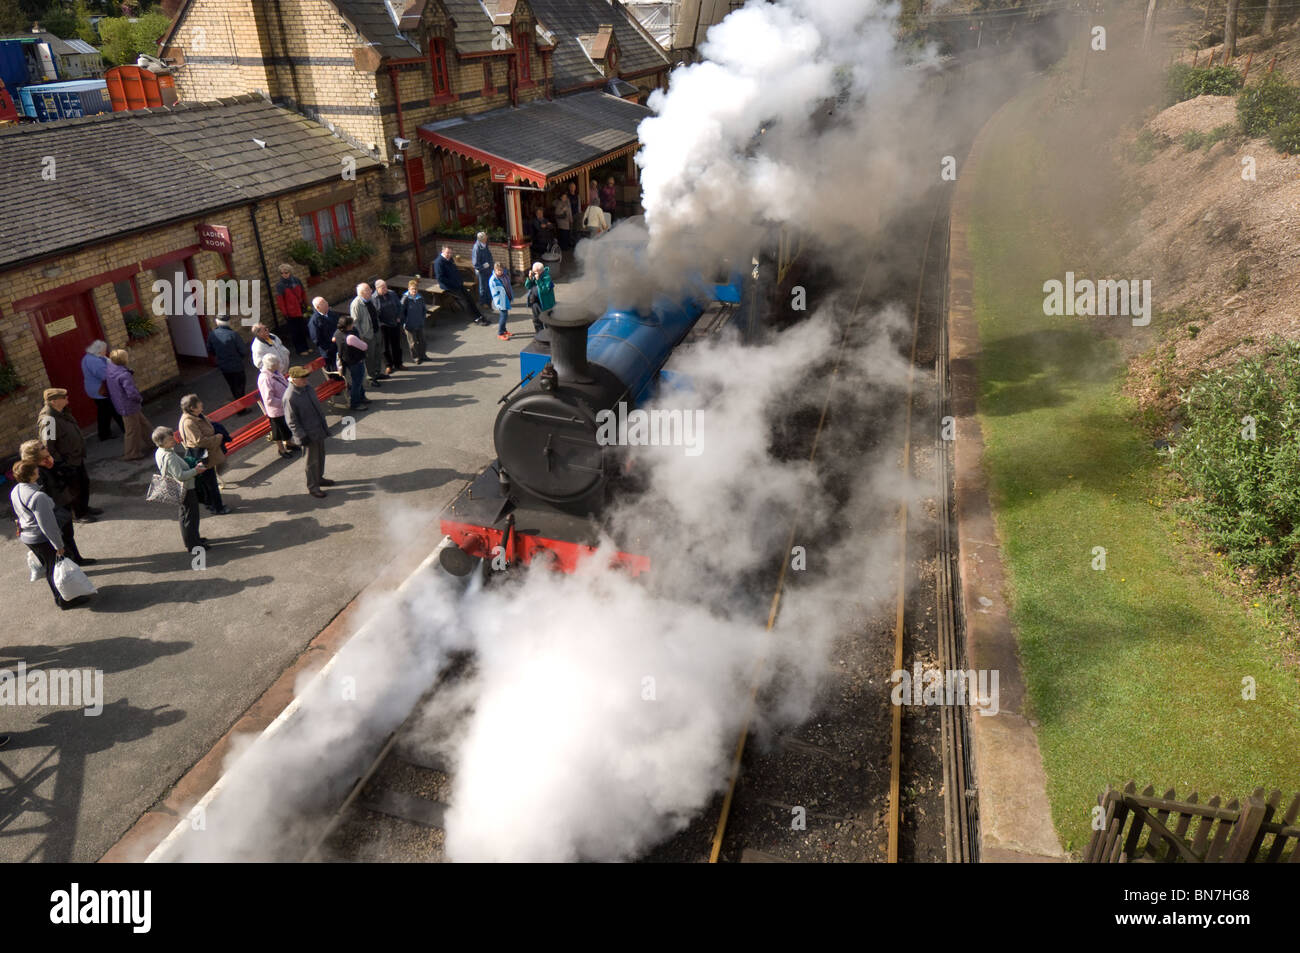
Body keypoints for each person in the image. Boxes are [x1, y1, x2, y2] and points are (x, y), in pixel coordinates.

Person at [10, 459, 76, 609]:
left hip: (28, 536)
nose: (38, 470)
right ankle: (63, 600)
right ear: (32, 474)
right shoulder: (38, 497)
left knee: (49, 566)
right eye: (36, 469)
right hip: (40, 538)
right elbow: (48, 525)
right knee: (53, 569)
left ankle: (63, 597)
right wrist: (58, 545)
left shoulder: (16, 490)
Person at [18, 439, 89, 568]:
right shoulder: (35, 472)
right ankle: (70, 568)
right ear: (34, 455)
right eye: (42, 447)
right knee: (61, 539)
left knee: (68, 535)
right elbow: (44, 492)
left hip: (62, 502)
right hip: (54, 508)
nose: (46, 448)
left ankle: (77, 559)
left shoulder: (48, 461)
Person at [37, 388, 101, 522]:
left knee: (83, 483)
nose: (67, 399)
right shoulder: (49, 420)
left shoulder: (62, 413)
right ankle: (77, 515)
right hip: (67, 461)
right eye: (64, 397)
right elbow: (48, 446)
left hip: (76, 457)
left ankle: (84, 508)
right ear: (54, 401)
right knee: (73, 489)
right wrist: (61, 464)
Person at [152, 426, 209, 554]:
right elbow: (180, 476)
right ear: (161, 442)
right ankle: (194, 545)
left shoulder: (160, 452)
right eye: (169, 439)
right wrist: (196, 470)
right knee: (191, 517)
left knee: (184, 516)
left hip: (178, 489)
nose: (173, 440)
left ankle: (191, 540)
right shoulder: (169, 456)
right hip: (186, 489)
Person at [283, 365, 336, 499]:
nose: (306, 380)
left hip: (318, 428)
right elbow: (291, 421)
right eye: (302, 378)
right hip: (308, 434)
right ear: (293, 379)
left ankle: (319, 478)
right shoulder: (289, 397)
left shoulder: (306, 387)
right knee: (311, 461)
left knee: (320, 455)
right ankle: (313, 487)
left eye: (306, 377)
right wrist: (301, 436)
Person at [177, 394, 230, 516]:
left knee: (208, 482)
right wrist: (218, 437)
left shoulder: (196, 416)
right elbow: (199, 441)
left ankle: (212, 504)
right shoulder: (189, 422)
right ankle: (218, 507)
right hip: (202, 456)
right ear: (192, 408)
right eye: (199, 404)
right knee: (210, 483)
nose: (202, 405)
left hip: (207, 453)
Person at [105, 349, 152, 461]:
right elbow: (131, 393)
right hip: (129, 406)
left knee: (143, 424)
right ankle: (131, 453)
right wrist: (139, 399)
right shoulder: (124, 375)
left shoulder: (110, 369)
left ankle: (154, 441)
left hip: (120, 404)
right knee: (132, 430)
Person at [206, 316, 252, 413]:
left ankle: (239, 405)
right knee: (240, 386)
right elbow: (243, 351)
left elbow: (210, 350)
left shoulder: (212, 335)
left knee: (233, 386)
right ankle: (241, 409)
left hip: (224, 366)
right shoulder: (233, 334)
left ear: (217, 322)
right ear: (228, 322)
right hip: (236, 365)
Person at [434, 246, 489, 326]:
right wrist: (453, 283)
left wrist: (459, 280)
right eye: (447, 253)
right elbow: (440, 278)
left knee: (470, 298)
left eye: (450, 253)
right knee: (465, 301)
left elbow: (455, 270)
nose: (449, 254)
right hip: (449, 286)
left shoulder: (450, 259)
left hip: (458, 283)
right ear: (442, 251)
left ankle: (480, 316)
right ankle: (476, 319)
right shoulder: (438, 262)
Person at [257, 354, 298, 458]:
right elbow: (269, 399)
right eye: (277, 363)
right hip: (276, 411)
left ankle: (289, 443)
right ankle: (281, 450)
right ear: (272, 365)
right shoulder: (265, 378)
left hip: (284, 407)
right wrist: (284, 401)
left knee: (286, 427)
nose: (280, 365)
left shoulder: (275, 372)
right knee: (279, 431)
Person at [81, 340, 123, 441]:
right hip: (100, 390)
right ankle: (126, 429)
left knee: (104, 412)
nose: (106, 351)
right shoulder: (94, 361)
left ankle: (104, 434)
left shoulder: (89, 357)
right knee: (113, 409)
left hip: (94, 389)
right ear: (98, 350)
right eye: (104, 350)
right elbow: (104, 375)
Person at [350, 283, 386, 387]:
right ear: (362, 293)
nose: (371, 290)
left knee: (378, 353)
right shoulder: (356, 304)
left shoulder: (369, 300)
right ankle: (371, 377)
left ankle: (377, 373)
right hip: (367, 336)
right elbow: (355, 323)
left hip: (376, 331)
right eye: (368, 290)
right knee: (370, 357)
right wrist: (361, 337)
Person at [333, 315, 370, 411]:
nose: (353, 325)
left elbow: (333, 340)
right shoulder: (350, 337)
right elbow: (365, 346)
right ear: (348, 326)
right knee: (357, 382)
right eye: (352, 323)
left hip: (346, 360)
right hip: (356, 361)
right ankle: (355, 403)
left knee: (357, 380)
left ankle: (361, 397)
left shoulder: (337, 332)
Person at [274, 263, 312, 355]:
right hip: (290, 312)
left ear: (290, 272)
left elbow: (303, 293)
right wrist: (285, 313)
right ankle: (300, 349)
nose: (284, 275)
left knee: (303, 329)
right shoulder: (280, 285)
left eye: (286, 272)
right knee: (295, 332)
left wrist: (307, 305)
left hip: (300, 308)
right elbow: (280, 301)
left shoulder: (297, 281)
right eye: (282, 273)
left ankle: (306, 347)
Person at [373, 279, 404, 374]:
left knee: (396, 344)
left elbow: (399, 306)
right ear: (377, 288)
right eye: (383, 288)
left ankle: (398, 363)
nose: (386, 289)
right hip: (383, 326)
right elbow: (374, 315)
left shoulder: (392, 293)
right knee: (385, 347)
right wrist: (381, 324)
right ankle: (388, 365)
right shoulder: (374, 299)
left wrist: (398, 317)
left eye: (386, 286)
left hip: (395, 323)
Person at [308, 296, 343, 378]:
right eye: (323, 303)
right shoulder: (314, 321)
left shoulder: (331, 314)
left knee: (341, 368)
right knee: (333, 371)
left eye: (325, 302)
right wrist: (329, 348)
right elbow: (316, 339)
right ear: (317, 307)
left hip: (338, 346)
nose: (326, 304)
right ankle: (337, 387)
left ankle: (344, 383)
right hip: (328, 351)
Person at [400, 279, 429, 364]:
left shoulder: (420, 297)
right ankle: (416, 358)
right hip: (409, 324)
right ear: (409, 289)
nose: (414, 291)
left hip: (419, 323)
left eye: (415, 289)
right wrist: (405, 322)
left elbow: (424, 309)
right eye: (412, 289)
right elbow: (401, 312)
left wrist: (422, 319)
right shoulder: (405, 299)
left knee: (422, 340)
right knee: (413, 343)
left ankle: (423, 355)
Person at [524, 262, 556, 335]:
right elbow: (527, 286)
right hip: (535, 302)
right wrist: (529, 278)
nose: (533, 273)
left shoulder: (547, 278)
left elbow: (544, 290)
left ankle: (549, 336)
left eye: (535, 272)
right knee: (536, 320)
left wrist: (538, 280)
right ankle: (540, 335)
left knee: (546, 321)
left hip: (545, 304)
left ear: (540, 271)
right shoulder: (534, 275)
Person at [489, 262, 513, 341]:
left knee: (505, 316)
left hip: (506, 298)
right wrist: (500, 301)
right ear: (495, 270)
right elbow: (495, 293)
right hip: (501, 301)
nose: (500, 272)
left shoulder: (504, 276)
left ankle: (504, 330)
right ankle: (500, 333)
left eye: (501, 270)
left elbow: (508, 286)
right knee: (503, 316)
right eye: (498, 270)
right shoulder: (493, 280)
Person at [471, 232, 494, 309]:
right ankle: (483, 302)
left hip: (488, 269)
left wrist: (490, 265)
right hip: (482, 271)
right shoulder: (477, 248)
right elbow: (475, 263)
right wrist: (483, 267)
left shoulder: (484, 245)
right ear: (482, 239)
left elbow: (489, 255)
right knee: (483, 288)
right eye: (485, 237)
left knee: (488, 286)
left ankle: (488, 301)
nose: (486, 238)